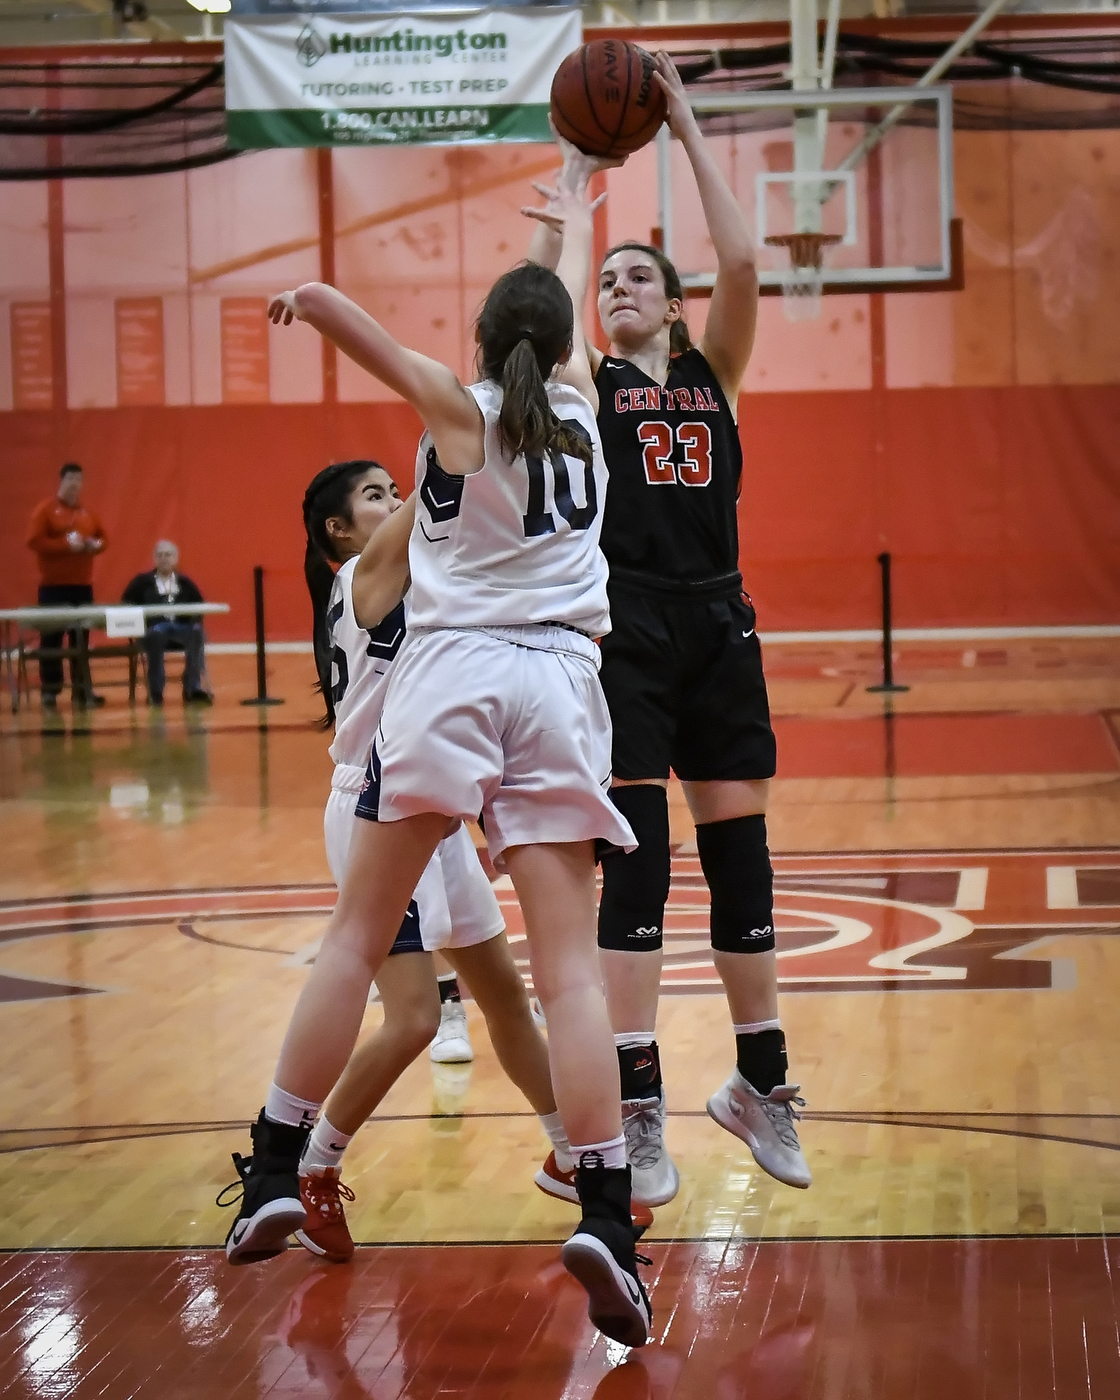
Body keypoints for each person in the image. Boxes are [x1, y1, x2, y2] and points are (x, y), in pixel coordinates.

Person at [219, 188, 653, 1348]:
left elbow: (360, 327)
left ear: (478, 341)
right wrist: (562, 227)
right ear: (566, 346)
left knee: (356, 939)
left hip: (454, 676)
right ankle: (606, 1204)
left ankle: (274, 1158)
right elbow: (534, 324)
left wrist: (308, 297)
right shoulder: (586, 415)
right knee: (567, 972)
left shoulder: (452, 408)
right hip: (563, 682)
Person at [523, 54, 810, 1209]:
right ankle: (638, 1111)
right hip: (625, 624)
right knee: (635, 874)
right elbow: (537, 315)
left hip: (720, 621)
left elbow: (742, 259)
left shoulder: (713, 373)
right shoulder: (588, 388)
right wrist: (572, 189)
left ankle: (759, 1081)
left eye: (640, 276)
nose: (620, 289)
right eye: (610, 282)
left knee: (741, 860)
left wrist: (682, 118)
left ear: (675, 303)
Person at [285, 456, 606, 1263]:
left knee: (505, 993)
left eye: (397, 488)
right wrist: (473, 437)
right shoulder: (363, 570)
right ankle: (310, 1163)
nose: (395, 500)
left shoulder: (421, 566)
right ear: (338, 530)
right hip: (373, 804)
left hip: (427, 801)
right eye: (374, 495)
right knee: (418, 1017)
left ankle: (571, 1151)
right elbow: (446, 494)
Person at [26, 462, 108, 709]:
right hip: (54, 587)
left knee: (80, 639)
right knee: (51, 638)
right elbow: (34, 541)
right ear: (61, 481)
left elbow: (104, 537)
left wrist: (96, 545)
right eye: (71, 478)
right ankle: (50, 691)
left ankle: (83, 690)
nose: (75, 484)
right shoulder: (46, 510)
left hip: (82, 587)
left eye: (79, 479)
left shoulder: (86, 513)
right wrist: (65, 546)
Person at [121, 541, 212, 706]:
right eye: (160, 555)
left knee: (198, 634)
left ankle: (193, 688)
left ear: (176, 559)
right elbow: (126, 603)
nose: (164, 559)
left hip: (181, 629)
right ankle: (156, 690)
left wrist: (193, 622)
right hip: (155, 629)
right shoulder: (141, 583)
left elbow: (199, 606)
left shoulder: (185, 583)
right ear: (154, 559)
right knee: (155, 635)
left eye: (168, 555)